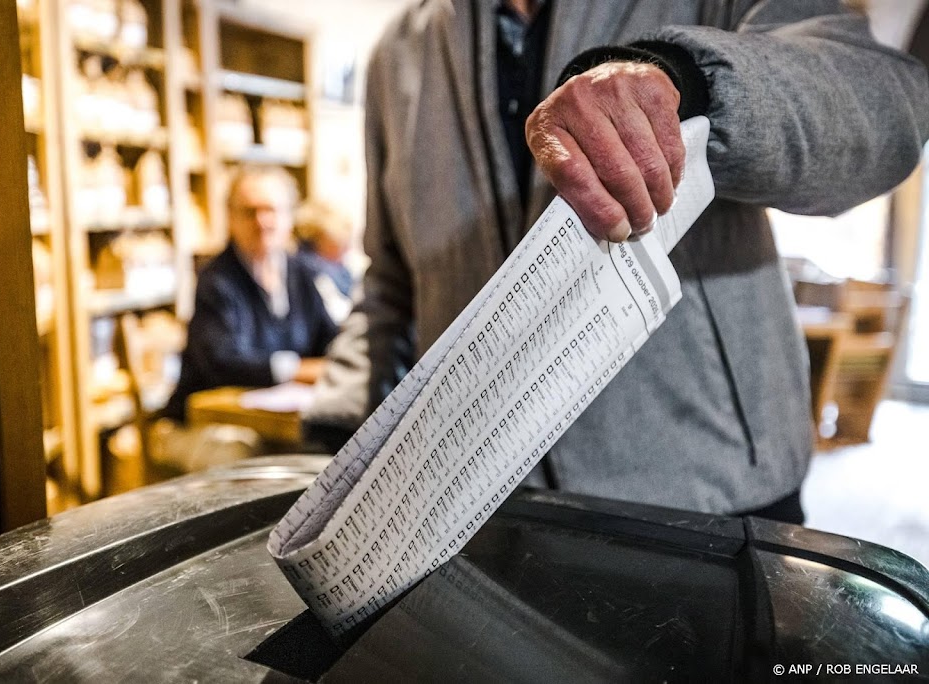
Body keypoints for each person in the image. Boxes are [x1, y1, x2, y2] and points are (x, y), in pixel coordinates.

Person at [306, 0, 929, 524]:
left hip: (709, 494)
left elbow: (885, 103)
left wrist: (682, 77)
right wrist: (339, 440)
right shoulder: (397, 53)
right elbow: (390, 284)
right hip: (480, 508)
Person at [163, 166, 338, 424]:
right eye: (250, 212)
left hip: (276, 418)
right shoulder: (217, 279)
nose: (262, 222)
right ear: (230, 218)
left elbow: (330, 339)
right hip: (206, 421)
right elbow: (220, 362)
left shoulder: (302, 273)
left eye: (271, 210)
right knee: (245, 452)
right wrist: (298, 370)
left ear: (289, 217)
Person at [294, 200, 357, 323]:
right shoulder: (310, 270)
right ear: (320, 240)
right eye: (342, 243)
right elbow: (340, 316)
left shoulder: (341, 270)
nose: (348, 248)